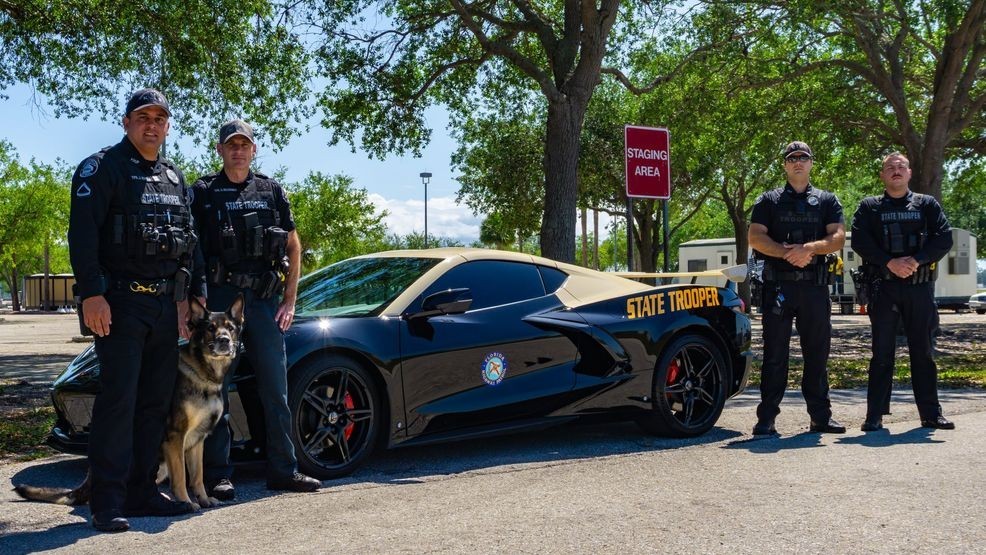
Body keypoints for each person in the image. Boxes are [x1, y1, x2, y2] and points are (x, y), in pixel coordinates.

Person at [68, 88, 198, 532]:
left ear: (167, 127)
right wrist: (92, 294)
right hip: (119, 303)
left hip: (163, 306)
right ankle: (107, 500)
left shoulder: (174, 177)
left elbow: (188, 243)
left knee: (154, 404)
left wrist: (184, 297)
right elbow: (83, 234)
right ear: (126, 123)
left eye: (159, 119)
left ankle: (142, 490)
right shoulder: (102, 167)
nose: (152, 125)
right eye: (143, 117)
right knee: (118, 403)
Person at [192, 119, 320, 499]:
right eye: (231, 145)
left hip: (263, 302)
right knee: (216, 388)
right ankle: (218, 474)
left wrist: (290, 300)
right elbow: (191, 250)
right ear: (220, 150)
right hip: (220, 302)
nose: (238, 150)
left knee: (275, 390)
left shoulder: (271, 190)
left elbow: (294, 246)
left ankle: (284, 470)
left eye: (244, 144)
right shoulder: (203, 192)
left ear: (254, 149)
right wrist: (192, 302)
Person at [850, 152, 954, 432]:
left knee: (923, 352)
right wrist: (889, 262)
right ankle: (874, 415)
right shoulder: (869, 207)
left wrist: (916, 260)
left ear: (909, 173)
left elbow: (944, 238)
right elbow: (860, 240)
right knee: (881, 353)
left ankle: (931, 414)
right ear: (882, 175)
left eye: (901, 167)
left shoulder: (926, 204)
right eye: (890, 167)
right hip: (883, 288)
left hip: (919, 288)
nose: (896, 170)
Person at [748, 141, 847, 435]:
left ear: (811, 163)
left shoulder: (827, 200)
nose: (798, 162)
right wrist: (786, 253)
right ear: (785, 165)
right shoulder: (768, 200)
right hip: (778, 287)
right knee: (774, 355)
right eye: (792, 158)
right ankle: (766, 418)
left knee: (817, 354)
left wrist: (808, 249)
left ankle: (821, 417)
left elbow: (838, 237)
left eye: (803, 157)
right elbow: (755, 237)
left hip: (814, 288)